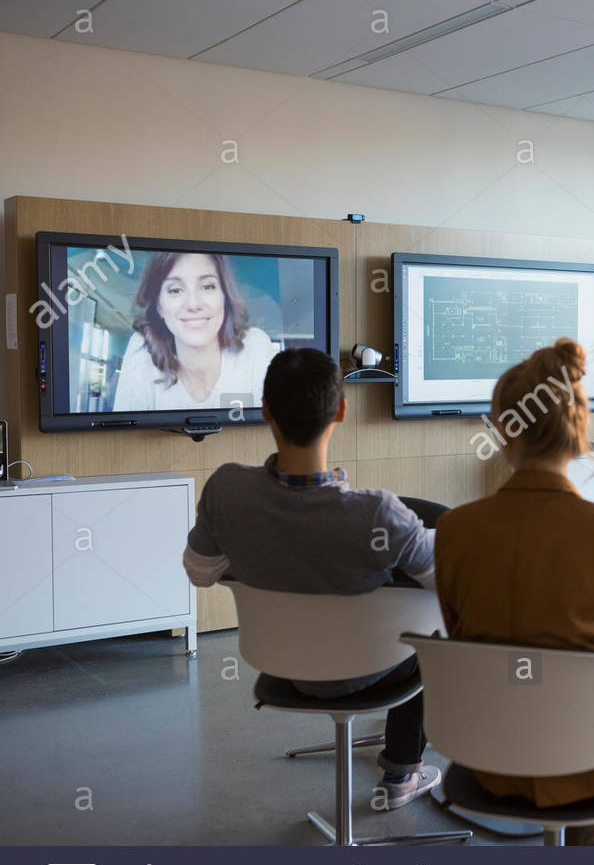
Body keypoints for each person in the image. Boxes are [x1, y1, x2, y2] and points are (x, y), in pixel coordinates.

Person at [182, 348, 441, 810]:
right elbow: (449, 583)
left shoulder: (225, 489)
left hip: (283, 662)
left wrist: (268, 557)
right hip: (371, 667)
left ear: (265, 411)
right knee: (434, 639)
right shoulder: (378, 513)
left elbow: (200, 572)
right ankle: (402, 773)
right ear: (342, 409)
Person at [433, 338, 594, 847]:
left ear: (500, 430)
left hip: (488, 754)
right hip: (592, 760)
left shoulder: (453, 530)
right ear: (579, 428)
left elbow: (463, 637)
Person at [114, 251, 277, 411]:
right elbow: (123, 434)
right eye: (175, 290)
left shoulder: (255, 347)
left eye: (207, 286)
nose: (193, 304)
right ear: (159, 306)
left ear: (225, 297)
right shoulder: (141, 349)